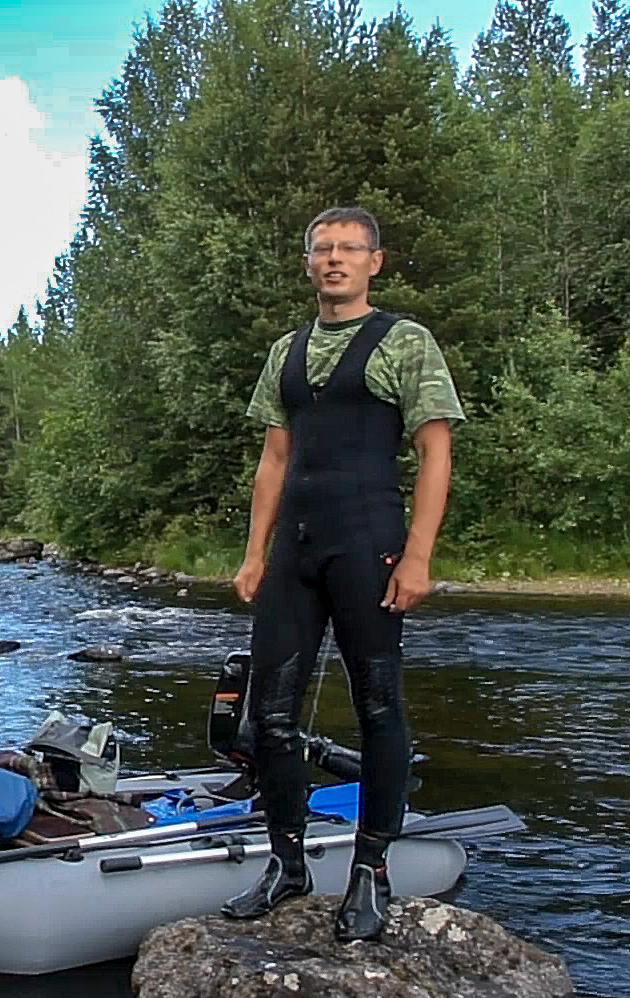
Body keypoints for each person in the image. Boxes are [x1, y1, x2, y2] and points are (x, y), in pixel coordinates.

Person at [219, 207, 464, 943]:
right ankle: (286, 864)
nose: (334, 260)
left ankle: (371, 874)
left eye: (349, 250)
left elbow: (435, 450)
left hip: (369, 545)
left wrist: (419, 554)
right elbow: (273, 458)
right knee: (268, 716)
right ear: (308, 263)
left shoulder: (404, 342)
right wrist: (255, 552)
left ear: (374, 263)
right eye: (322, 249)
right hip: (294, 550)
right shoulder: (287, 352)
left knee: (378, 707)